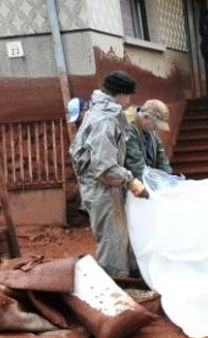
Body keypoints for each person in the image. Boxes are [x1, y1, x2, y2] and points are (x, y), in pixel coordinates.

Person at [69, 71, 150, 278]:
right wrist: (130, 180)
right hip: (102, 190)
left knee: (120, 236)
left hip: (105, 188)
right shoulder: (105, 120)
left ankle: (129, 277)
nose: (130, 102)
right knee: (112, 240)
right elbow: (104, 168)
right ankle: (117, 287)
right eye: (128, 96)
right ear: (121, 95)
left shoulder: (101, 113)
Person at [124, 98, 173, 178]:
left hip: (146, 179)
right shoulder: (128, 127)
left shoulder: (149, 128)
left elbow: (161, 158)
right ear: (146, 117)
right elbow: (136, 166)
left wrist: (169, 179)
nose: (156, 128)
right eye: (155, 125)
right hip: (131, 184)